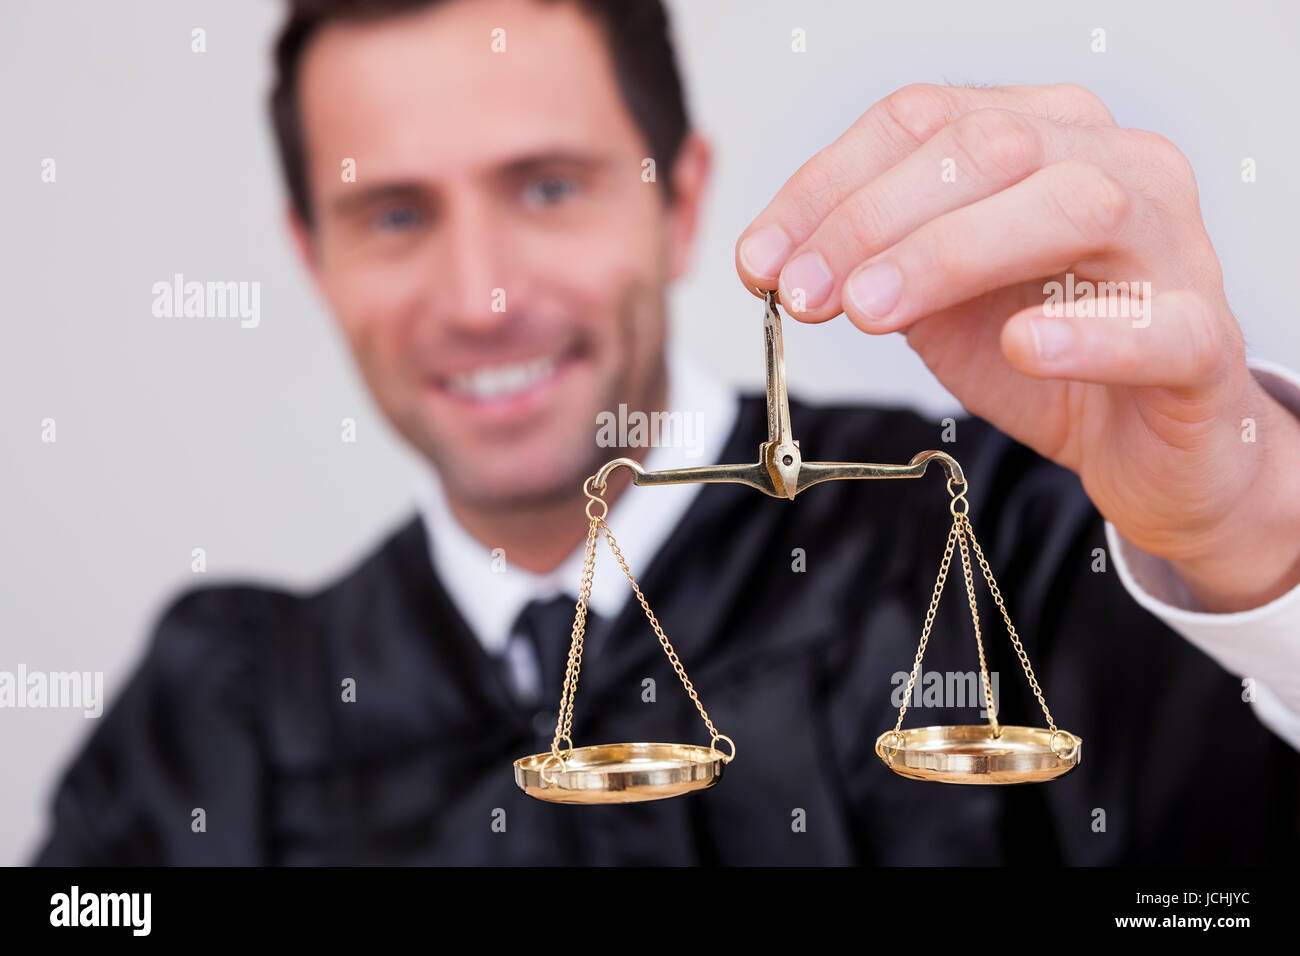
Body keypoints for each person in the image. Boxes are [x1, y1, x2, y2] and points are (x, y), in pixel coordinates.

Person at [31, 0, 1300, 865]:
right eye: (396, 216)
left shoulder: (1034, 550)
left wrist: (1254, 528)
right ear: (312, 258)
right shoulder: (211, 719)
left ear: (680, 203)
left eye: (546, 187)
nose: (482, 297)